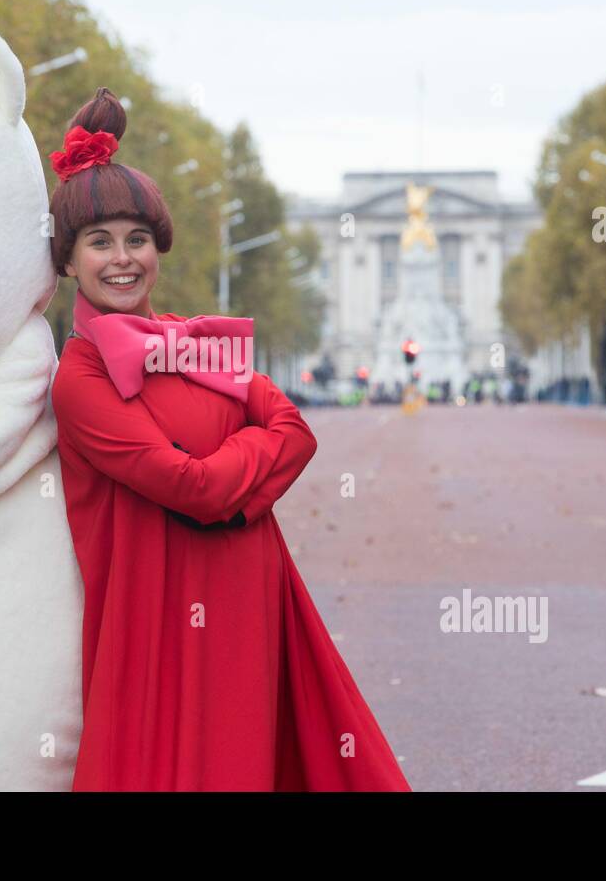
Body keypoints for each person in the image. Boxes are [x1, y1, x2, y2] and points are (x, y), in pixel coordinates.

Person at [47, 87, 410, 791]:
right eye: (99, 243)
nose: (122, 259)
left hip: (253, 604)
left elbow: (297, 432)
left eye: (137, 239)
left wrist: (226, 472)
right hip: (157, 621)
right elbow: (194, 489)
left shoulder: (191, 338)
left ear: (159, 249)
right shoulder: (82, 376)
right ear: (67, 262)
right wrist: (243, 468)